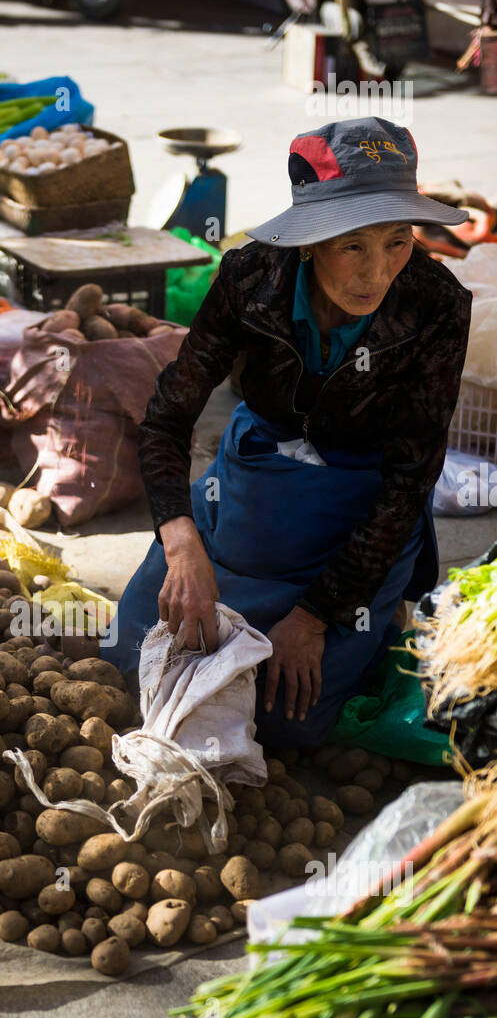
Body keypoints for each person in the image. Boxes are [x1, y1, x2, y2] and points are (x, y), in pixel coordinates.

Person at [103, 117, 472, 751]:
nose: (376, 273)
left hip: (362, 507)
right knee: (127, 665)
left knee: (282, 724)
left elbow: (411, 479)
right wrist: (181, 538)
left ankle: (372, 618)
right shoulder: (250, 281)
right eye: (352, 245)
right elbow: (168, 416)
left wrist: (315, 617)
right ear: (308, 241)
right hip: (251, 482)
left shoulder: (436, 306)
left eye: (396, 241)